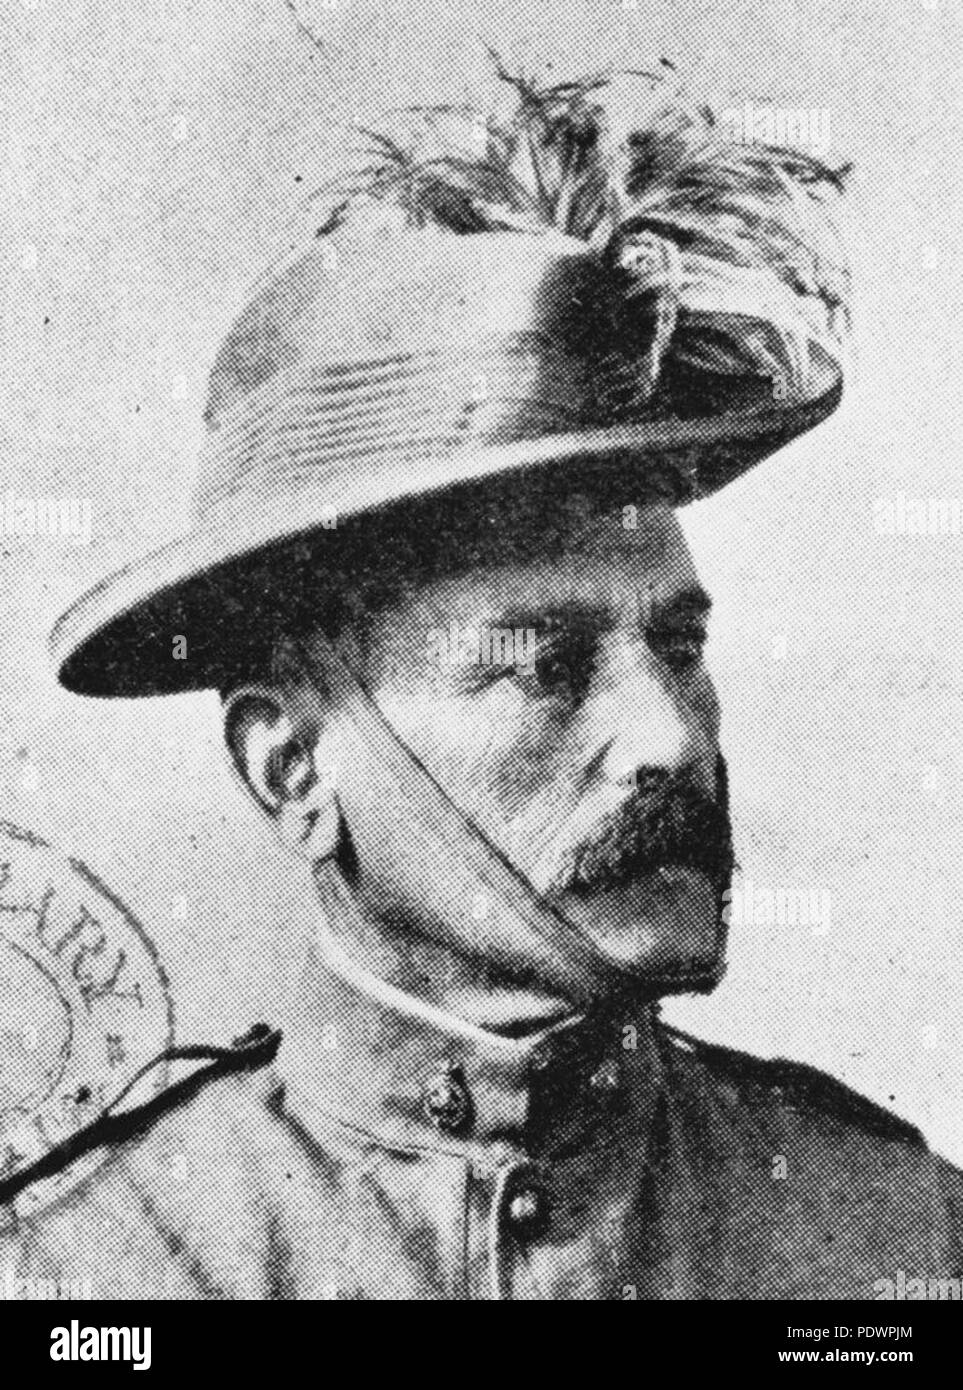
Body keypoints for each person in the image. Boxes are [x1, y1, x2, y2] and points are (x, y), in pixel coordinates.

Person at [4, 66, 959, 1299]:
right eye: (545, 666)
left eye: (679, 648)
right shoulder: (90, 1272)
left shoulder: (895, 1239)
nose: (670, 738)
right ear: (293, 770)